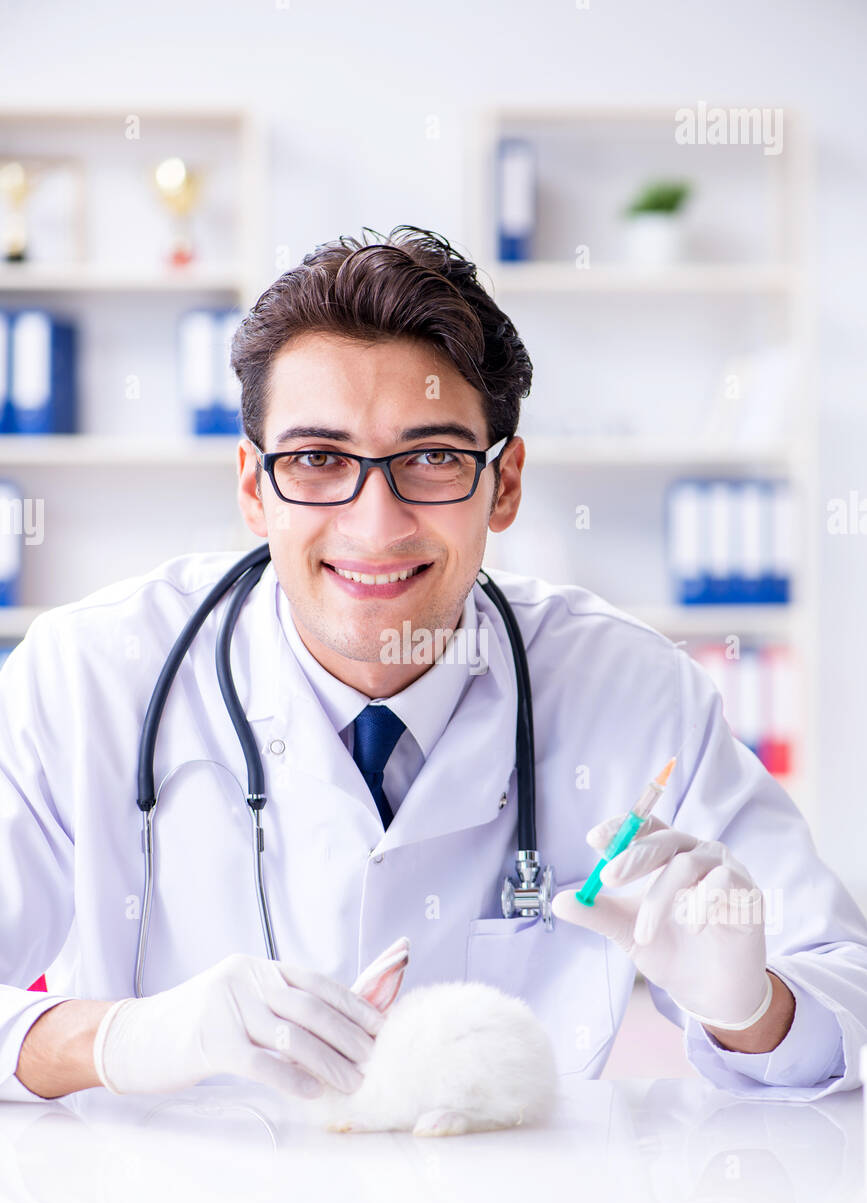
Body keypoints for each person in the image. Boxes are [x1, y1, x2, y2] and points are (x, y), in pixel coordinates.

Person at [2, 226, 864, 1105]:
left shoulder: (632, 691)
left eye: (431, 458)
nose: (375, 525)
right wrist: (120, 1039)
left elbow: (848, 995)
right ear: (254, 487)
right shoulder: (86, 677)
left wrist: (750, 1008)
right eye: (315, 458)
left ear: (506, 481)